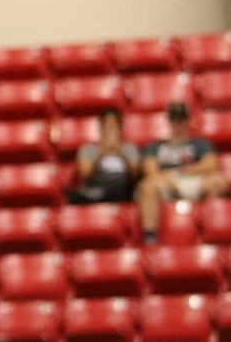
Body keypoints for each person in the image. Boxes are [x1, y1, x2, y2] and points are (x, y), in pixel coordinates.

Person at [139, 102, 227, 240]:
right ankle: (150, 236)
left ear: (188, 120)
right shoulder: (156, 146)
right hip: (164, 182)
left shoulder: (200, 143)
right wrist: (169, 180)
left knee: (219, 182)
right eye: (174, 119)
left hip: (193, 181)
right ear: (169, 121)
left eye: (181, 119)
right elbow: (150, 171)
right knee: (147, 186)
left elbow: (210, 165)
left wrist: (180, 172)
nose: (178, 124)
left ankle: (212, 232)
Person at [71, 108, 140, 204]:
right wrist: (102, 153)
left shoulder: (130, 148)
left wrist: (121, 153)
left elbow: (135, 174)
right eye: (107, 125)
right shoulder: (88, 149)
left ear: (120, 128)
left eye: (114, 125)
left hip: (123, 187)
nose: (111, 129)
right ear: (101, 128)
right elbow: (85, 175)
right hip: (97, 186)